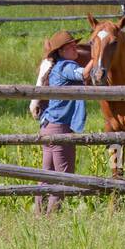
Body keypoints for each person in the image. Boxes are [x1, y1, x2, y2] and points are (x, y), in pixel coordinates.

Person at [31, 30, 89, 214]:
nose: (75, 48)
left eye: (75, 44)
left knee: (45, 176)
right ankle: (52, 219)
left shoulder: (55, 68)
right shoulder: (67, 67)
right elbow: (85, 74)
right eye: (70, 46)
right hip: (60, 128)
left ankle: (39, 215)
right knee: (63, 178)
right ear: (61, 51)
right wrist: (98, 57)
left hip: (47, 127)